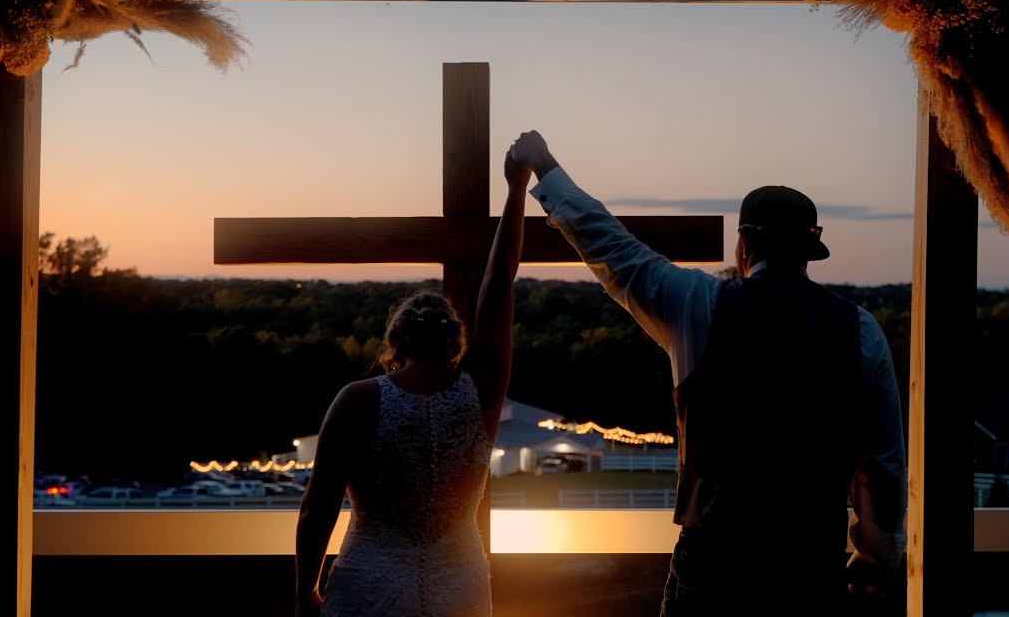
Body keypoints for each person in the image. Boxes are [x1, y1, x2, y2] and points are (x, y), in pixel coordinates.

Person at [510, 130, 907, 616]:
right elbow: (882, 466)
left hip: (713, 565)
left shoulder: (702, 305)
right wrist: (876, 558)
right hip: (809, 567)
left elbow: (613, 250)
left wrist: (545, 166)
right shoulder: (862, 332)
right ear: (808, 253)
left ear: (744, 245)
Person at [293, 145, 531, 617]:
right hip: (459, 590)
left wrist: (305, 595)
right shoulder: (482, 389)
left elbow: (316, 509)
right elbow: (500, 281)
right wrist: (515, 189)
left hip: (369, 589)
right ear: (456, 344)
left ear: (394, 346)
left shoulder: (357, 400)